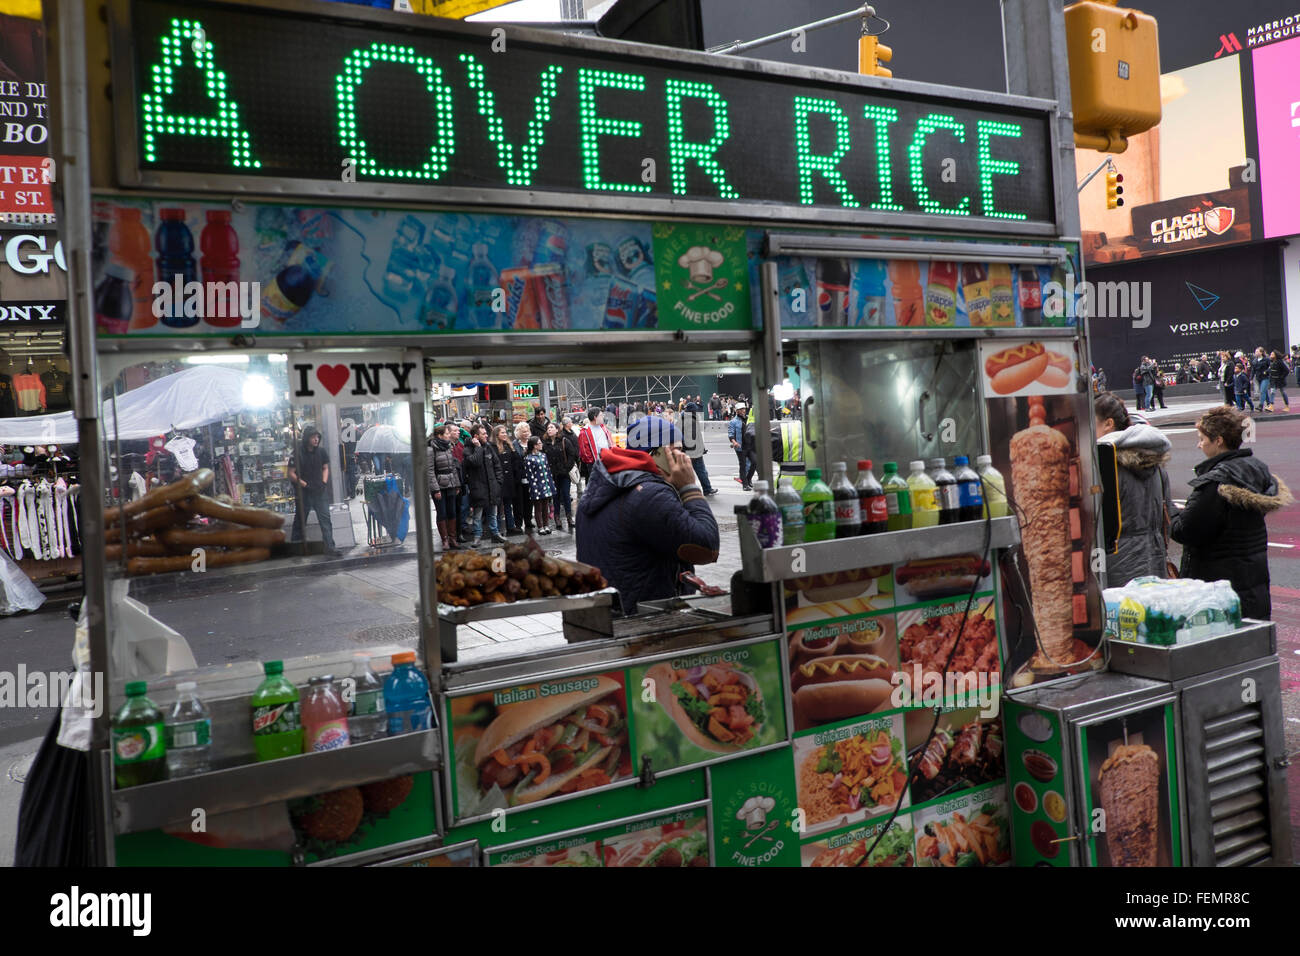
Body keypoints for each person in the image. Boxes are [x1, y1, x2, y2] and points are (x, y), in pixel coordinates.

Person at [576, 415, 720, 614]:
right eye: (678, 450)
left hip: (613, 613)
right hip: (645, 618)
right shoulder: (650, 495)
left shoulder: (606, 485)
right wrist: (689, 488)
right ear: (659, 453)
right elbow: (707, 547)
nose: (685, 458)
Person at [1171, 406, 1292, 620]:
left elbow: (1186, 531)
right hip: (1252, 587)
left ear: (1218, 440)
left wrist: (1170, 512)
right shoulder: (1254, 470)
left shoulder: (1215, 484)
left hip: (1219, 595)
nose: (1199, 445)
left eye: (1201, 439)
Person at [1095, 393, 1173, 586]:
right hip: (1154, 562)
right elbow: (1167, 517)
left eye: (1091, 421)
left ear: (1108, 424)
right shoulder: (1154, 459)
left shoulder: (1103, 463)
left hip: (1115, 567)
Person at [288, 425, 339, 556]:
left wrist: (323, 482)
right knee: (300, 520)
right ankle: (296, 548)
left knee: (325, 519)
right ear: (307, 438)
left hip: (319, 491)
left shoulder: (321, 452)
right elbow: (291, 473)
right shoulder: (298, 453)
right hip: (304, 492)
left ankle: (330, 547)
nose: (316, 439)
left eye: (317, 437)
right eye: (313, 437)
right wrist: (304, 484)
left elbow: (325, 467)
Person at [463, 424, 507, 546]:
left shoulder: (488, 447)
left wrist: (498, 482)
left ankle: (495, 533)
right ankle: (477, 536)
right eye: (484, 434)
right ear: (476, 436)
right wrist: (477, 447)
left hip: (492, 486)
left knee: (493, 513)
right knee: (477, 515)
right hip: (478, 488)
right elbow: (475, 462)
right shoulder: (468, 449)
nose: (487, 435)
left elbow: (497, 465)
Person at [428, 422, 464, 550]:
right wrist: (435, 489)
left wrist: (457, 484)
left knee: (452, 511)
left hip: (451, 484)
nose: (449, 435)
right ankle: (444, 540)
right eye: (447, 433)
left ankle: (452, 538)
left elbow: (453, 467)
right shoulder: (431, 449)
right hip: (439, 485)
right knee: (442, 512)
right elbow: (430, 471)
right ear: (439, 435)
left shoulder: (448, 447)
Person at [680, 394, 717, 496]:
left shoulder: (683, 419)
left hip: (688, 451)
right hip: (694, 452)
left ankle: (684, 490)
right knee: (701, 471)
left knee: (687, 472)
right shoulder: (690, 420)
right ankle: (707, 489)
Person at [541, 422, 575, 532]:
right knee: (555, 496)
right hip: (552, 475)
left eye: (551, 427)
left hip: (564, 474)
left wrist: (566, 469)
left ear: (557, 430)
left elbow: (571, 455)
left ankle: (569, 517)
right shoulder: (544, 443)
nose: (549, 429)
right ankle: (557, 518)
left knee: (565, 494)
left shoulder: (564, 441)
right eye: (548, 428)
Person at [492, 424, 523, 536]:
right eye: (502, 433)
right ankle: (499, 529)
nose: (505, 435)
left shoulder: (509, 446)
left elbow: (516, 461)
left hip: (509, 480)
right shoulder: (493, 447)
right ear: (497, 435)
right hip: (499, 481)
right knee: (499, 507)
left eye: (505, 432)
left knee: (508, 504)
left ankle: (511, 526)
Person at [522, 436, 556, 534]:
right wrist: (534, 487)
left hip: (546, 485)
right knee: (538, 507)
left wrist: (551, 484)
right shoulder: (528, 459)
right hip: (536, 486)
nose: (541, 444)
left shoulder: (543, 456)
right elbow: (530, 475)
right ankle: (540, 527)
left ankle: (546, 525)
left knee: (546, 506)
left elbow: (548, 471)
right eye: (539, 443)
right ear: (534, 446)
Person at [578, 407, 614, 491]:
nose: (603, 417)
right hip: (595, 463)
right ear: (595, 417)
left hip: (607, 460)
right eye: (601, 415)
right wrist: (593, 462)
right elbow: (584, 452)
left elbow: (610, 442)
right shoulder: (585, 432)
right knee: (596, 487)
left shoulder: (603, 427)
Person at [511, 422, 535, 534]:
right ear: (519, 433)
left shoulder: (532, 443)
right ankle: (518, 523)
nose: (526, 433)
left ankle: (528, 520)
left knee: (529, 501)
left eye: (527, 431)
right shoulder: (514, 445)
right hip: (518, 478)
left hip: (530, 477)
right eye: (524, 432)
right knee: (518, 502)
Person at [728, 402, 750, 490]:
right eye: (741, 409)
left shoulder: (749, 419)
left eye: (744, 409)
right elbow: (731, 434)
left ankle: (747, 480)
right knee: (743, 465)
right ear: (737, 411)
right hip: (740, 447)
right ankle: (745, 485)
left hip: (749, 445)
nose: (743, 411)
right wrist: (734, 442)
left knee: (754, 463)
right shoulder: (733, 422)